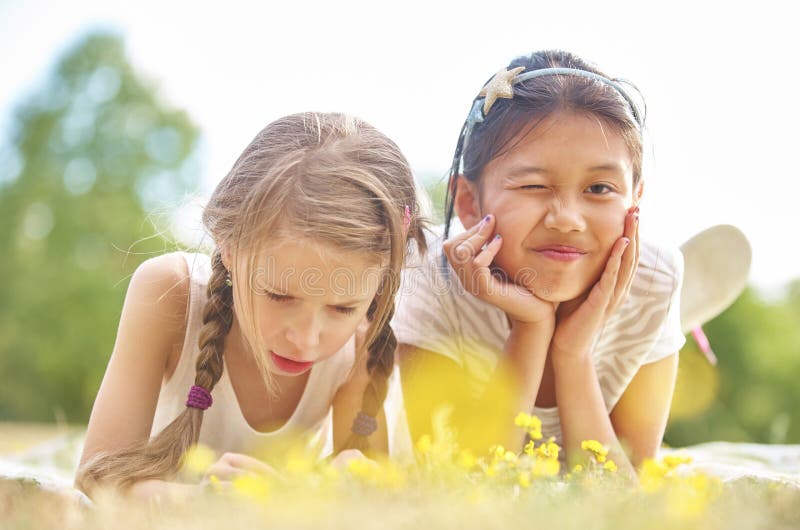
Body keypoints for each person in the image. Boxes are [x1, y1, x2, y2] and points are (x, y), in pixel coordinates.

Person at [75, 112, 426, 498]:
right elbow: (95, 482)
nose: (306, 339)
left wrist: (334, 487)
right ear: (228, 245)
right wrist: (214, 504)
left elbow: (373, 505)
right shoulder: (170, 292)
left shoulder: (362, 345)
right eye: (279, 296)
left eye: (343, 309)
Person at [393, 50, 684, 478]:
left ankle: (682, 321)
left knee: (659, 277)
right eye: (533, 185)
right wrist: (531, 327)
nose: (566, 218)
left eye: (600, 188)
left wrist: (574, 352)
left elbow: (625, 499)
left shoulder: (655, 281)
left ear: (635, 198)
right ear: (469, 202)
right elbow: (462, 485)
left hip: (639, 291)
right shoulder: (429, 278)